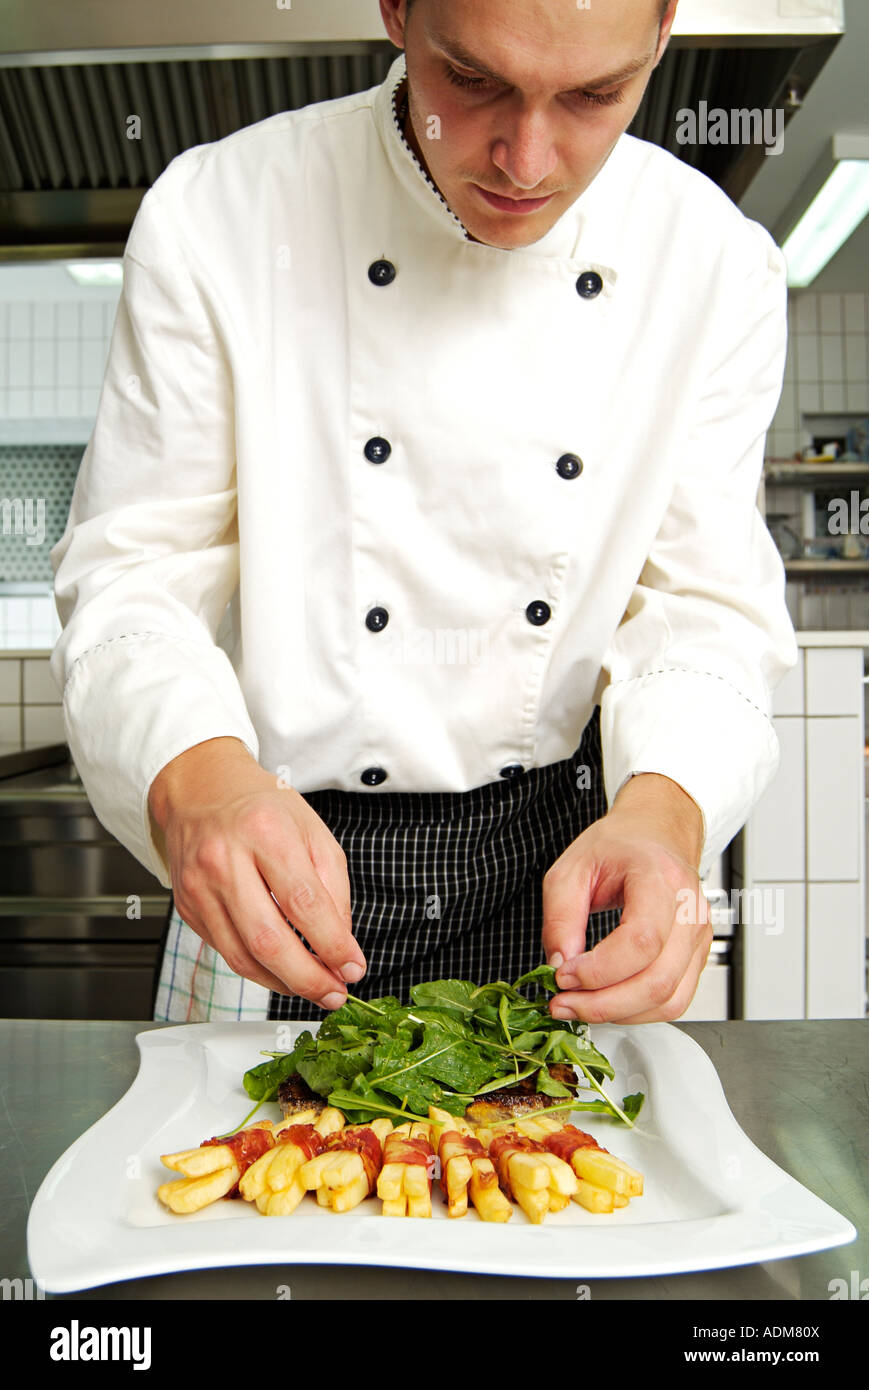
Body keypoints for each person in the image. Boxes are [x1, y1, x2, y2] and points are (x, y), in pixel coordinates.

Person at [49, 0, 797, 1026]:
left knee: (549, 1186)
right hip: (276, 860)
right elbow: (135, 575)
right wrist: (196, 785)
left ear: (662, 28)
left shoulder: (712, 265)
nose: (526, 158)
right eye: (474, 81)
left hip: (561, 878)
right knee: (237, 1182)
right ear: (395, 10)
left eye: (591, 96)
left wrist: (664, 817)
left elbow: (706, 610)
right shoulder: (222, 215)